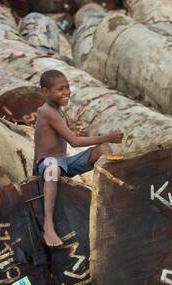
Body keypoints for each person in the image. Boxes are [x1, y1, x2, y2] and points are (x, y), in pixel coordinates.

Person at [33, 69, 123, 248]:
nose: (66, 92)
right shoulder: (46, 112)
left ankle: (116, 194)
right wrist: (107, 136)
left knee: (103, 150)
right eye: (60, 89)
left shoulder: (58, 109)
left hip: (64, 162)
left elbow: (66, 134)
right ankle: (48, 226)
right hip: (46, 164)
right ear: (45, 92)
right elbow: (73, 142)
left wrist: (92, 136)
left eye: (67, 87)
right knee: (52, 169)